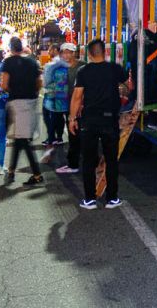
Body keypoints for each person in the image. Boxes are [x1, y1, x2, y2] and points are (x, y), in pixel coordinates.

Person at [69, 39, 127, 209]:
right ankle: (112, 198)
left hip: (89, 120)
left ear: (89, 53)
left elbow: (77, 97)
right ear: (105, 52)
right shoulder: (114, 69)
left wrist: (72, 119)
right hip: (110, 120)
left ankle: (89, 199)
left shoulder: (83, 71)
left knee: (88, 160)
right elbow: (127, 84)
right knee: (111, 160)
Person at [106, 0, 157, 89]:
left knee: (135, 54)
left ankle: (139, 93)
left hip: (151, 27)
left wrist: (147, 21)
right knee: (131, 55)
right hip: (142, 28)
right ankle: (135, 91)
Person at [1, 37, 44, 186]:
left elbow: (4, 84)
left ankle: (37, 174)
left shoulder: (8, 62)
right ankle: (12, 171)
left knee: (23, 140)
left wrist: (15, 90)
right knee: (20, 139)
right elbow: (39, 83)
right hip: (31, 102)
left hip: (17, 102)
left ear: (11, 48)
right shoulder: (33, 62)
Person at [55, 43, 86, 174]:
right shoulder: (61, 67)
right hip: (68, 104)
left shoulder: (83, 66)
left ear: (74, 53)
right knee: (74, 133)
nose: (66, 55)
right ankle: (74, 162)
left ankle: (74, 164)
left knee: (78, 134)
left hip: (81, 104)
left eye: (69, 52)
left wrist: (82, 103)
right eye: (64, 52)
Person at [41, 44, 68, 146]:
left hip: (51, 94)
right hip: (63, 95)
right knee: (59, 117)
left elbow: (46, 82)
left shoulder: (51, 65)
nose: (48, 51)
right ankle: (59, 137)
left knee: (48, 115)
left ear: (56, 50)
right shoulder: (66, 64)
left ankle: (51, 138)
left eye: (50, 49)